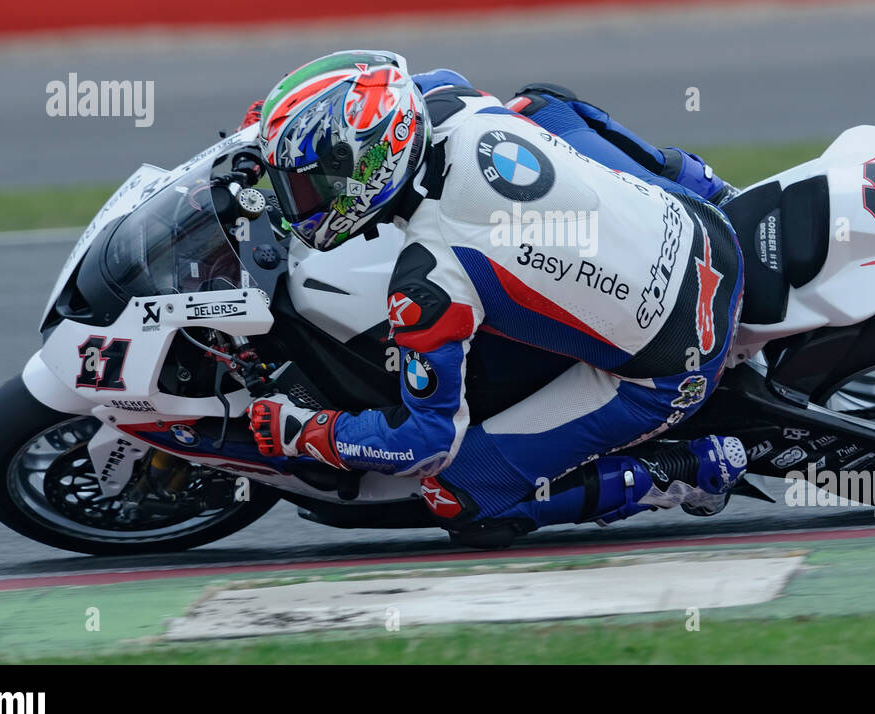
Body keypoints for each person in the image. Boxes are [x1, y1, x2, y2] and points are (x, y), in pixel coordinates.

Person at [245, 50, 750, 546]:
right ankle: (701, 179)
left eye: (311, 185)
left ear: (369, 166)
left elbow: (425, 445)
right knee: (541, 105)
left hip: (673, 364)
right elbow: (392, 90)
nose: (299, 201)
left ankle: (683, 470)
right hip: (704, 226)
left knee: (459, 497)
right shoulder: (447, 99)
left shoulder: (429, 279)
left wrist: (306, 432)